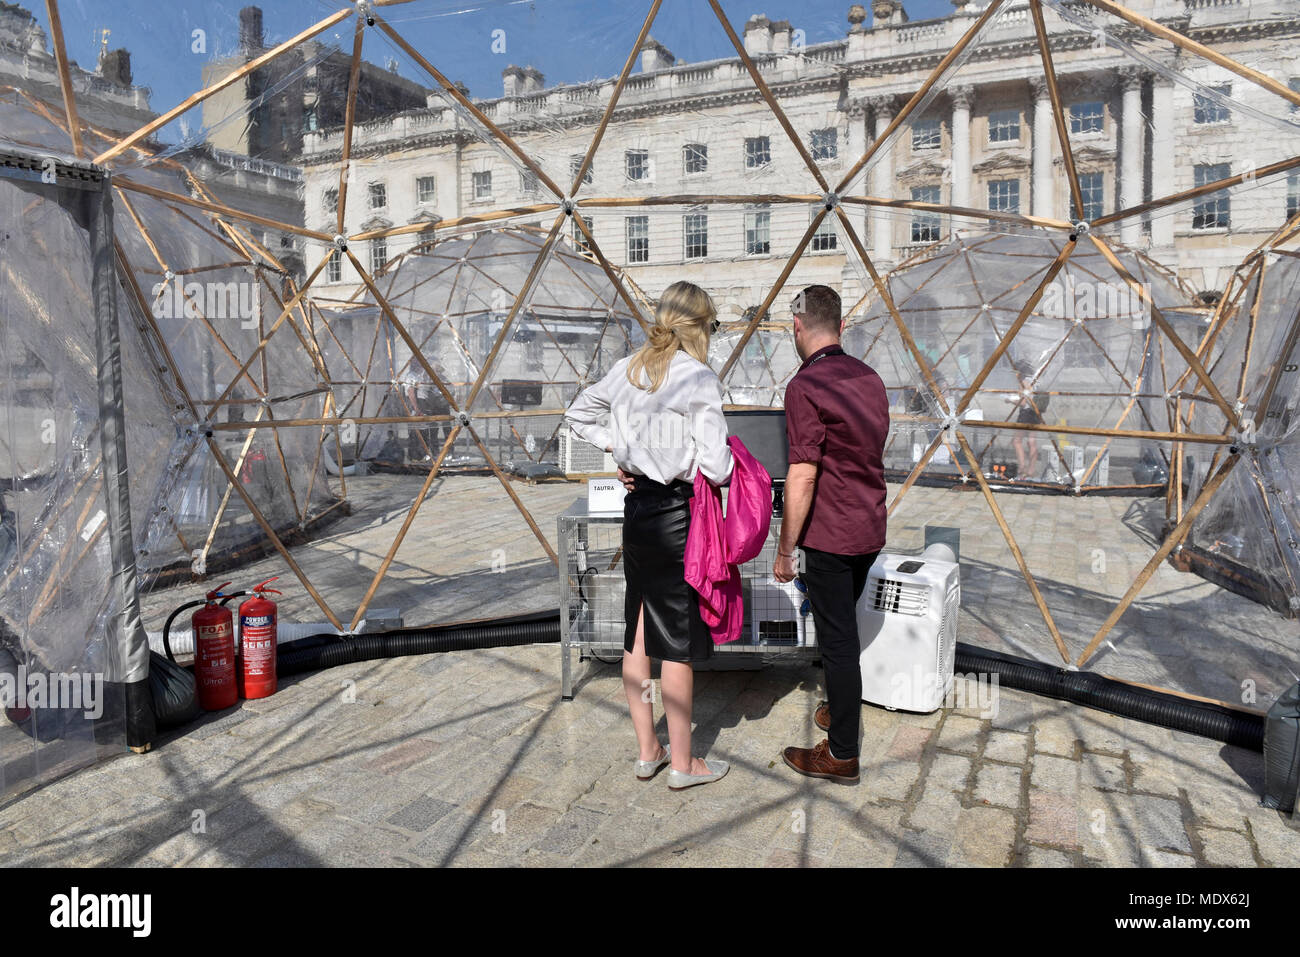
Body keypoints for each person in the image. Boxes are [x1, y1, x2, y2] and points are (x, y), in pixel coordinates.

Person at [566, 281, 734, 790]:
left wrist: (619, 447)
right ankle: (684, 764)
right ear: (700, 326)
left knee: (638, 632)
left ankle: (648, 751)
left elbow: (576, 415)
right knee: (677, 642)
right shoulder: (697, 377)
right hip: (680, 518)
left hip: (637, 513)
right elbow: (718, 468)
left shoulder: (628, 369)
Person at [774, 285, 889, 783]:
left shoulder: (805, 386)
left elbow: (803, 474)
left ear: (797, 327)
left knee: (837, 642)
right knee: (844, 634)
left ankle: (841, 754)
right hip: (869, 527)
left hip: (831, 535)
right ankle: (838, 712)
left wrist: (785, 549)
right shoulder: (870, 378)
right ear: (841, 327)